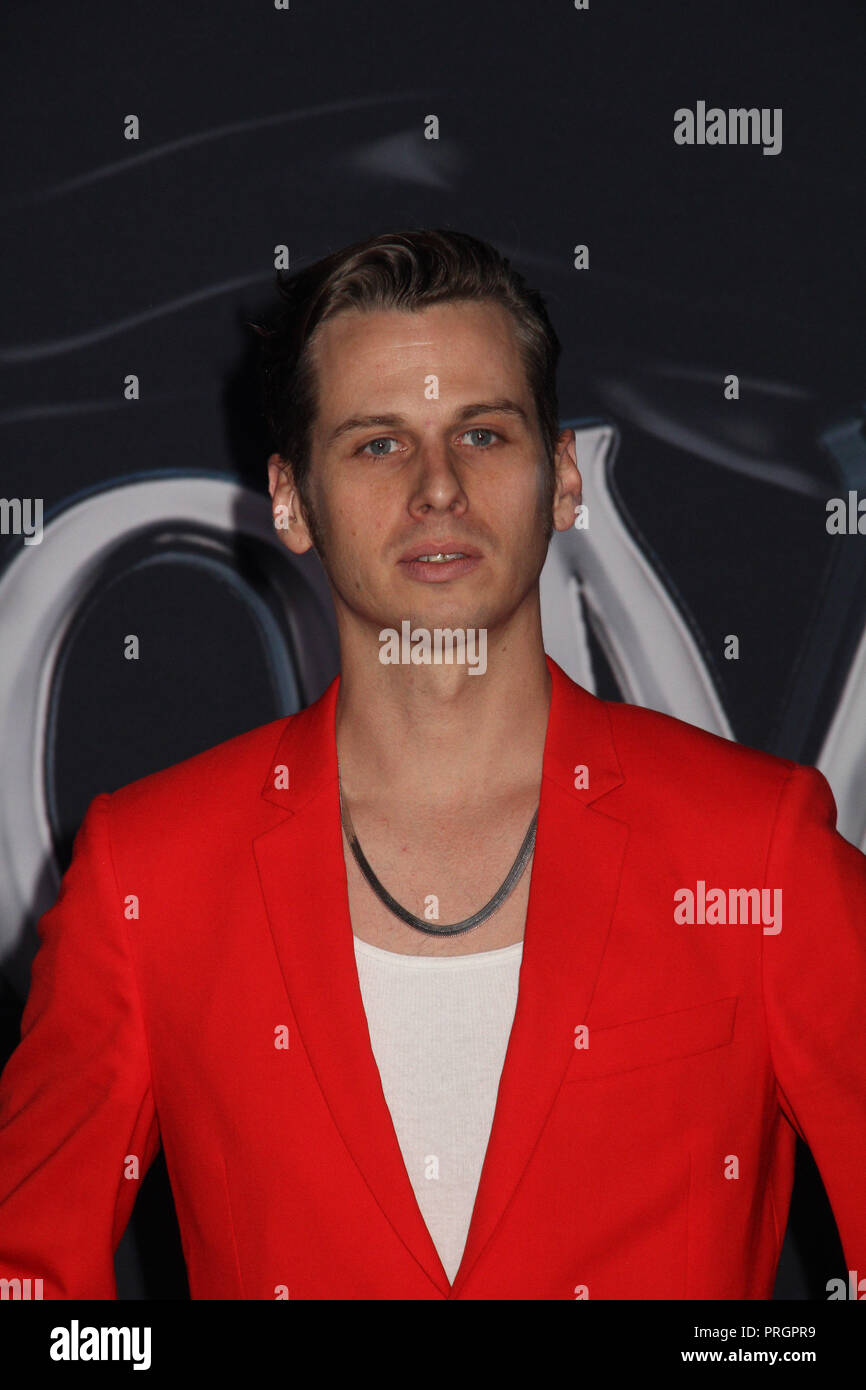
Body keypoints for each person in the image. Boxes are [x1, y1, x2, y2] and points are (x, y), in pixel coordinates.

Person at [0, 228, 864, 1301]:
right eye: (376, 443)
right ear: (288, 498)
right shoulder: (148, 876)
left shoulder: (758, 851)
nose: (437, 487)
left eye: (483, 434)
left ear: (557, 478)